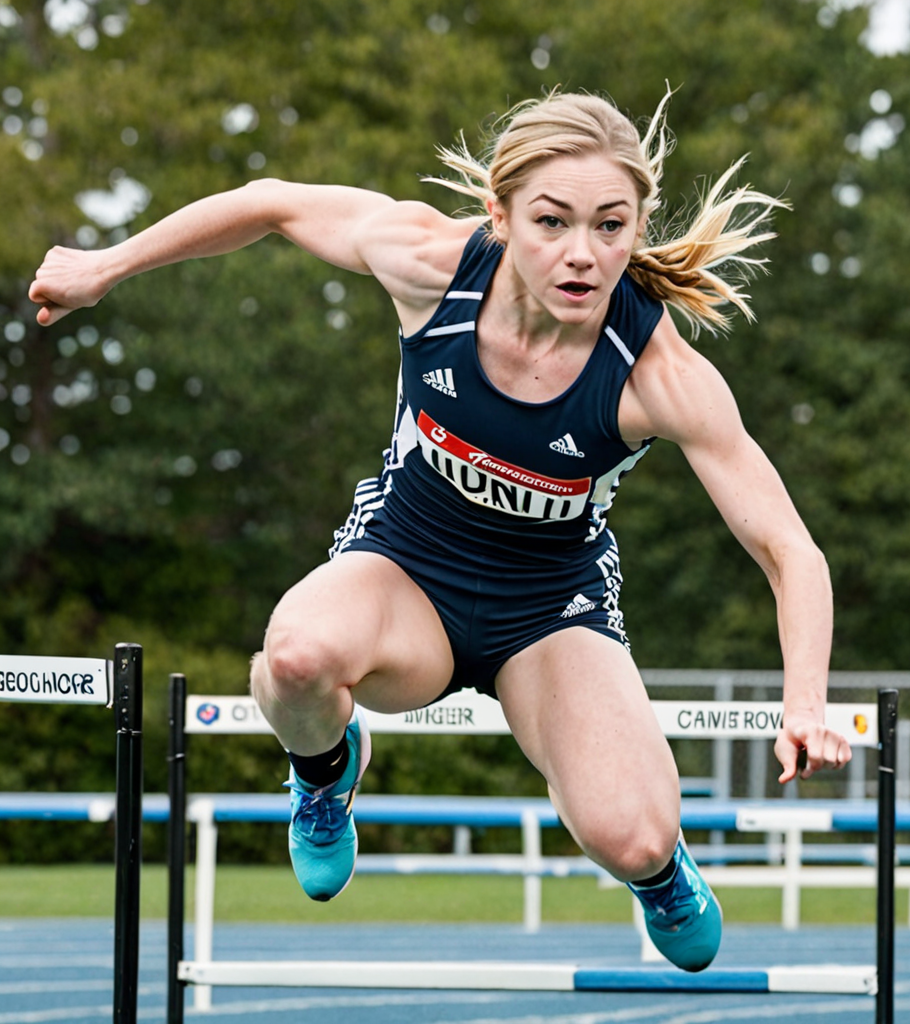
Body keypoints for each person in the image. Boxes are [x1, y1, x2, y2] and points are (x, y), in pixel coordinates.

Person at [30, 88, 852, 972]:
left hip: (550, 611)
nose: (583, 255)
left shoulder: (658, 374)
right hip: (405, 570)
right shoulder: (429, 263)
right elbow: (269, 203)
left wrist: (804, 699)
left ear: (637, 227)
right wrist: (106, 264)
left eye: (612, 227)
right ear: (499, 214)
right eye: (553, 222)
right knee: (296, 658)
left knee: (635, 835)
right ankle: (323, 775)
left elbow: (787, 547)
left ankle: (657, 870)